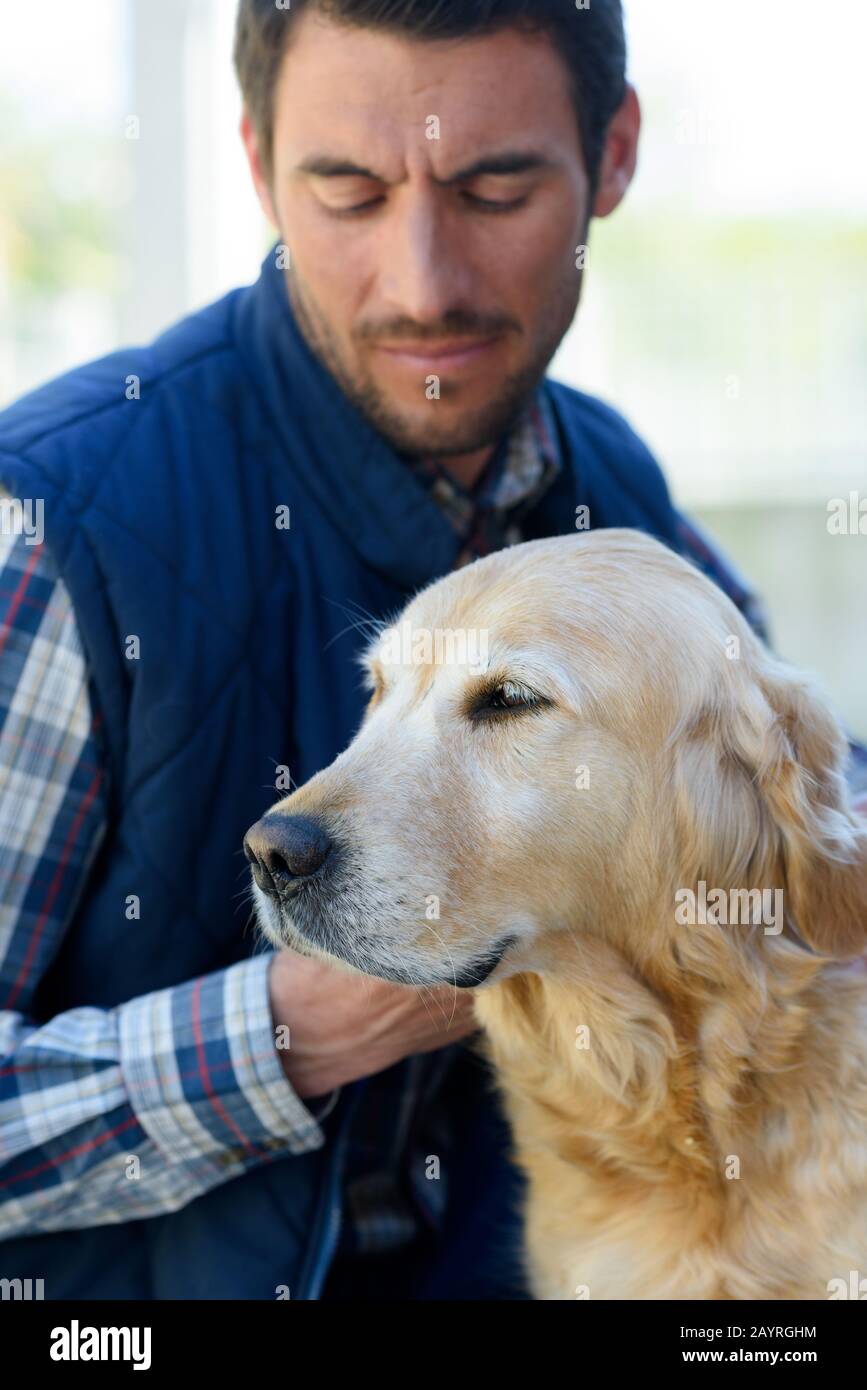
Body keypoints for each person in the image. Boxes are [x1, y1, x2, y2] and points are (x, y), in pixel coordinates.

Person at [0, 0, 863, 1301]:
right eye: (346, 192)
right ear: (255, 162)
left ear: (613, 156)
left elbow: (806, 797)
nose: (423, 282)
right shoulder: (60, 525)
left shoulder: (607, 477)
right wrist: (290, 1034)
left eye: (496, 187)